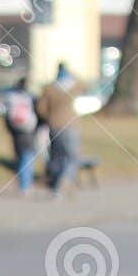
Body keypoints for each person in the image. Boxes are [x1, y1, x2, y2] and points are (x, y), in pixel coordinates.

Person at [35, 63, 83, 194]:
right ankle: (66, 179)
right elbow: (84, 84)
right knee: (72, 155)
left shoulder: (49, 88)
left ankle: (55, 183)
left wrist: (49, 117)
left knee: (56, 156)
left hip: (54, 125)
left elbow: (41, 109)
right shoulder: (74, 87)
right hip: (71, 126)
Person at [4, 79, 39, 193]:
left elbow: (7, 117)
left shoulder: (12, 98)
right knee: (27, 156)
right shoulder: (30, 98)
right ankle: (25, 185)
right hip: (28, 131)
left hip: (16, 130)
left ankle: (23, 183)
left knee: (21, 155)